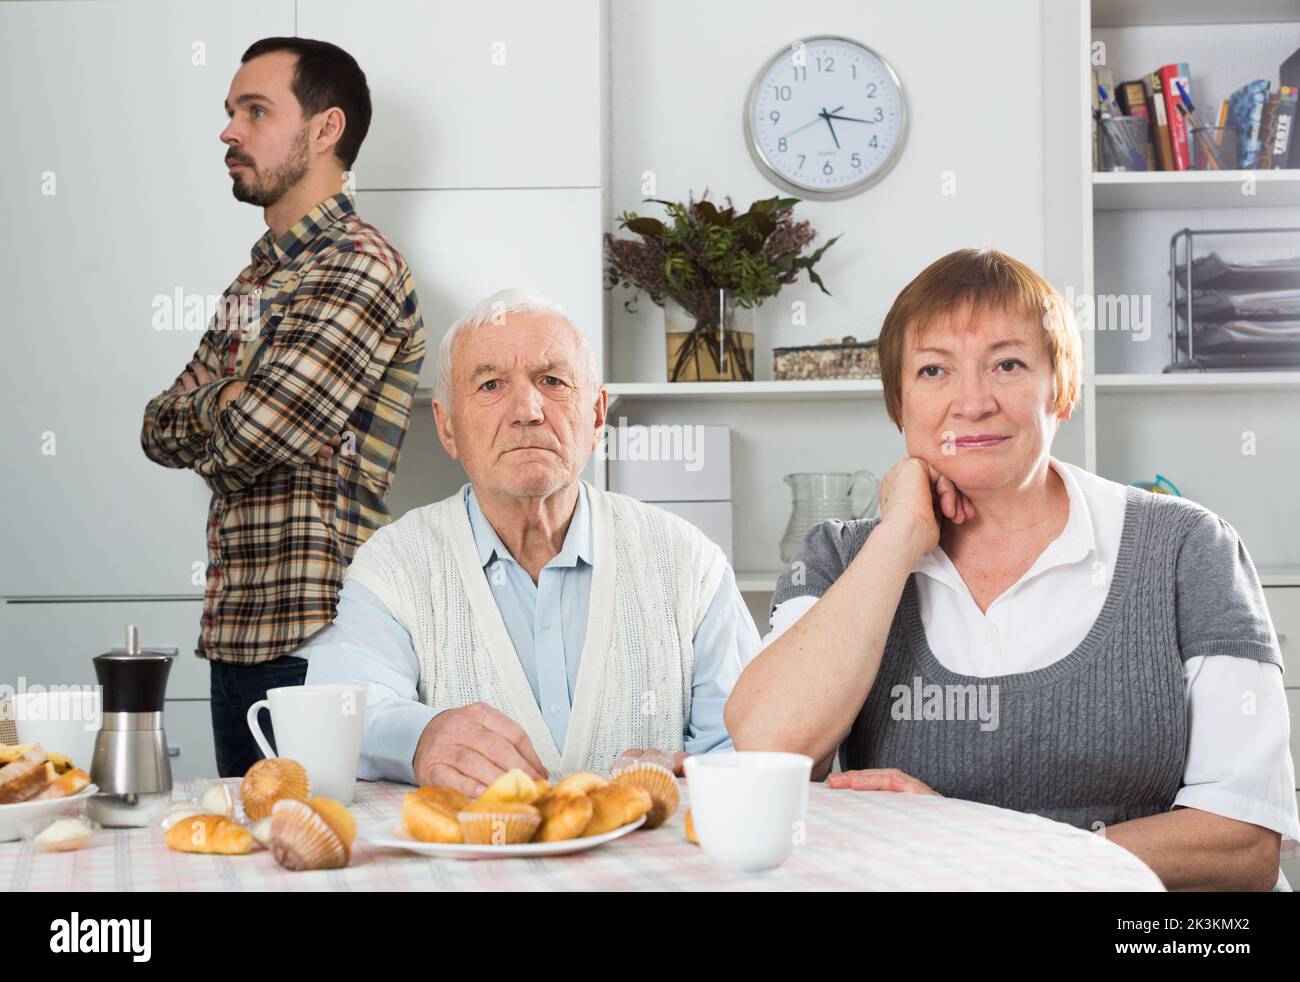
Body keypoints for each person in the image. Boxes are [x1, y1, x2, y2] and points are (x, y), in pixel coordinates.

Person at [724, 247, 1300, 891]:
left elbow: (1241, 845)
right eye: (934, 370)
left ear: (1063, 389)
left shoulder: (1188, 548)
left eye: (1007, 364)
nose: (971, 403)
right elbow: (769, 748)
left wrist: (979, 852)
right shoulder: (842, 557)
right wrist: (899, 537)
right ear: (898, 403)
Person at [305, 288, 760, 793]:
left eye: (552, 381)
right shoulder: (392, 565)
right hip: (467, 869)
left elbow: (750, 740)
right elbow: (342, 707)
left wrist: (688, 769)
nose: (527, 409)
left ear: (596, 414)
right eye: (491, 384)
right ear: (447, 426)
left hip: (651, 866)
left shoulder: (690, 562)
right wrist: (422, 739)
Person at [140, 37, 425, 778]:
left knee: (322, 856)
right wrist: (230, 402)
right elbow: (155, 426)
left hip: (321, 640)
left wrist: (225, 405)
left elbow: (260, 431)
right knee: (251, 861)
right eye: (231, 111)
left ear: (325, 130)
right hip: (236, 633)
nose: (229, 131)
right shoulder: (254, 280)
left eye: (255, 110)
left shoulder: (360, 263)